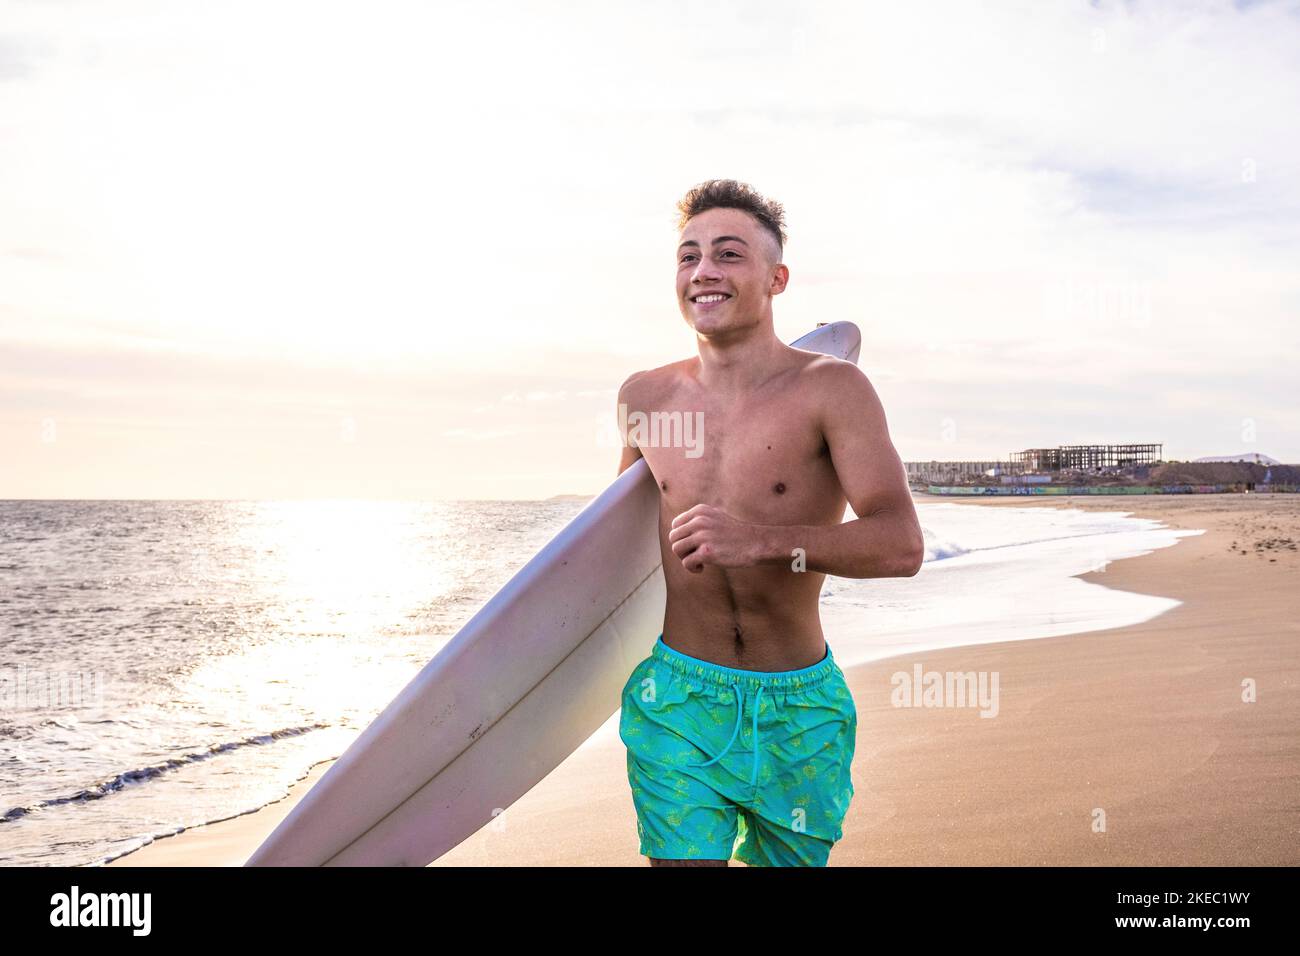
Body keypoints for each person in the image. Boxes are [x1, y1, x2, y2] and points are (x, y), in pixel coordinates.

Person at [615, 178, 924, 866]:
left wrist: (759, 542)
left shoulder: (833, 389)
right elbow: (620, 560)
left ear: (775, 278)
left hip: (800, 707)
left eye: (728, 255)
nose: (703, 272)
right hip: (678, 700)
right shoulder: (643, 398)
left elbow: (900, 545)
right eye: (688, 256)